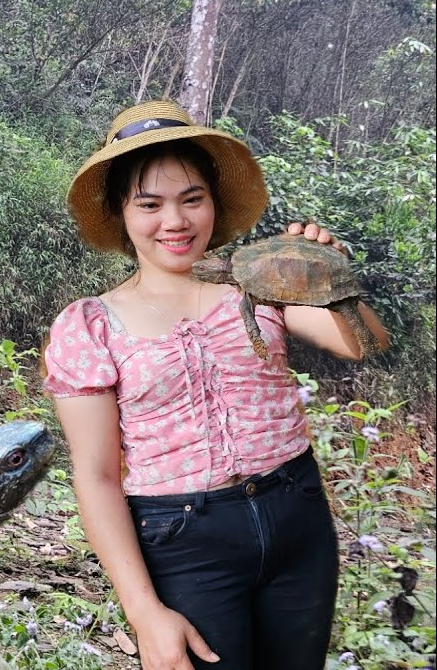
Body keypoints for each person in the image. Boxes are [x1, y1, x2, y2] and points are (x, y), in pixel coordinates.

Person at [42, 100, 389, 670]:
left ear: (214, 203)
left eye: (192, 199)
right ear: (121, 213)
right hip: (183, 541)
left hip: (297, 518)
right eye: (150, 204)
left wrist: (330, 274)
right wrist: (144, 611)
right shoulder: (91, 325)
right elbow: (98, 476)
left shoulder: (258, 284)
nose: (174, 222)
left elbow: (362, 343)